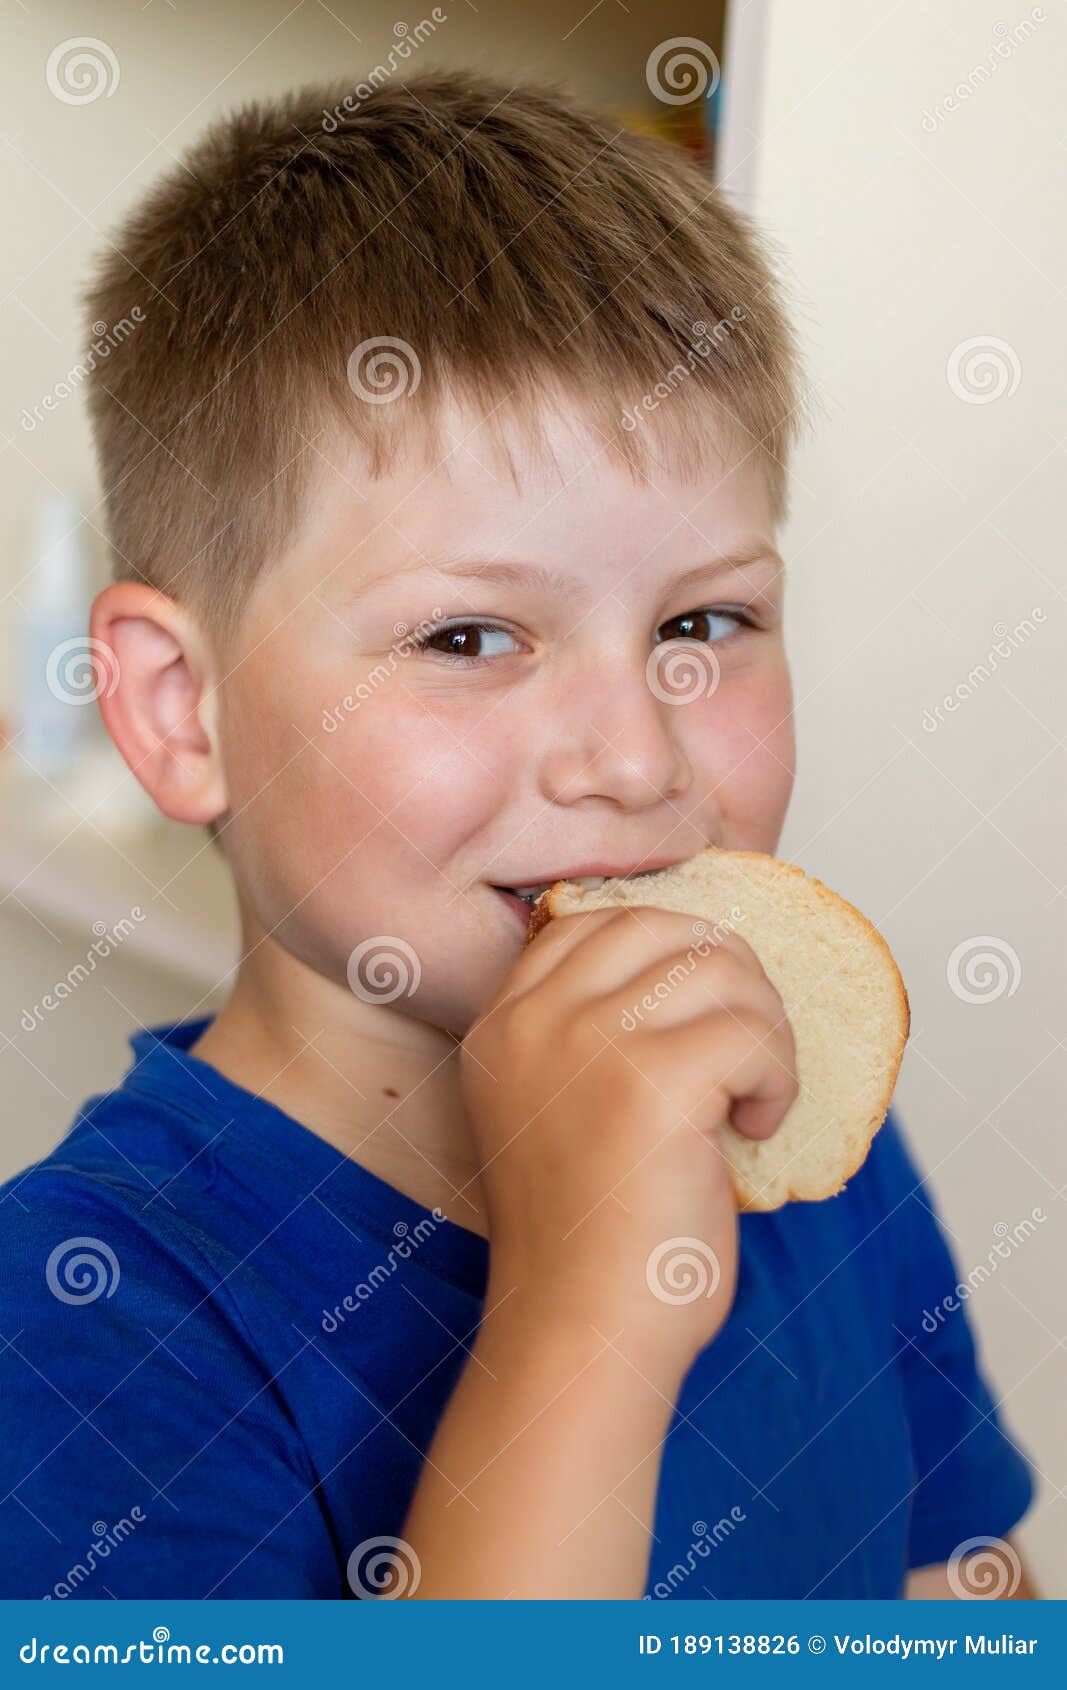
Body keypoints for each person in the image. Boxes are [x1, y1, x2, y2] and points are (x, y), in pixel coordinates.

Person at [0, 70, 1035, 1599]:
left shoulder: (812, 1132)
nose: (634, 757)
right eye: (472, 637)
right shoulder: (84, 1325)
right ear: (180, 710)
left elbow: (957, 1592)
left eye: (705, 619)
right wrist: (590, 1305)